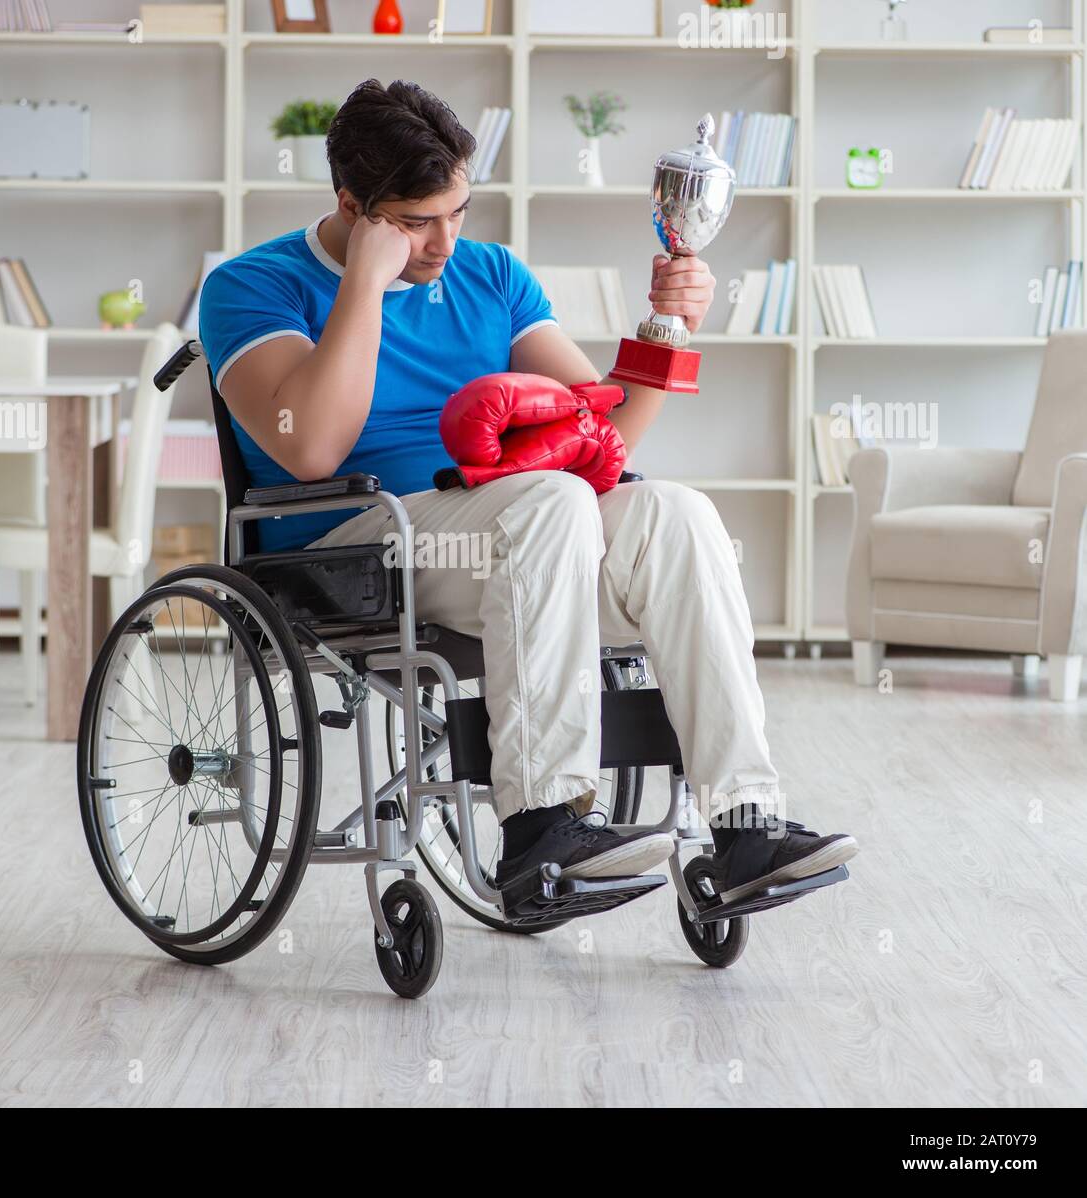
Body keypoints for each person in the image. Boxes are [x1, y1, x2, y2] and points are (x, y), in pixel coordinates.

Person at [198, 78, 857, 908]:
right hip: (356, 544)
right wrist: (366, 286)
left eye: (459, 211)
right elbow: (311, 446)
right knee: (550, 502)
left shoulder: (493, 276)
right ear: (352, 206)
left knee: (675, 512)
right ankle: (543, 825)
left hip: (519, 536)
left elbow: (600, 437)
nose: (443, 242)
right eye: (414, 221)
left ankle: (745, 824)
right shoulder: (251, 286)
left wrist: (668, 323)